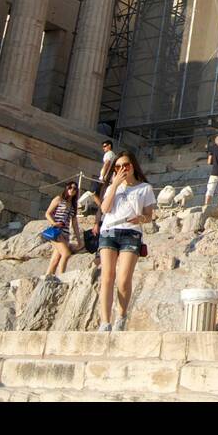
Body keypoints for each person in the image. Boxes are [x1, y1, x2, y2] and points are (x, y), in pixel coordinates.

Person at [97, 150, 155, 332]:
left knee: (123, 279)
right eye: (118, 166)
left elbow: (149, 216)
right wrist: (114, 185)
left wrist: (141, 219)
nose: (122, 169)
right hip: (109, 230)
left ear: (133, 166)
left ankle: (121, 316)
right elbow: (105, 209)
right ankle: (105, 322)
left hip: (131, 232)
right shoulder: (112, 187)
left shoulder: (145, 188)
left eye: (126, 165)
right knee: (107, 277)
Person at [44, 182, 81, 276]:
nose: (72, 190)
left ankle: (48, 276)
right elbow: (48, 213)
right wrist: (54, 223)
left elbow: (74, 224)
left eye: (75, 188)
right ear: (66, 188)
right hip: (57, 232)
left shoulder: (73, 205)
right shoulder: (59, 199)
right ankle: (62, 276)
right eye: (70, 187)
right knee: (66, 253)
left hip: (66, 234)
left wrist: (79, 239)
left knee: (55, 259)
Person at [92, 140, 118, 236]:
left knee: (94, 193)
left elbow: (106, 164)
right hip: (110, 180)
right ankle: (102, 207)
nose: (103, 148)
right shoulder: (113, 155)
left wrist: (103, 176)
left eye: (105, 146)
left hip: (106, 179)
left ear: (110, 146)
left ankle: (101, 208)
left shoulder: (109, 154)